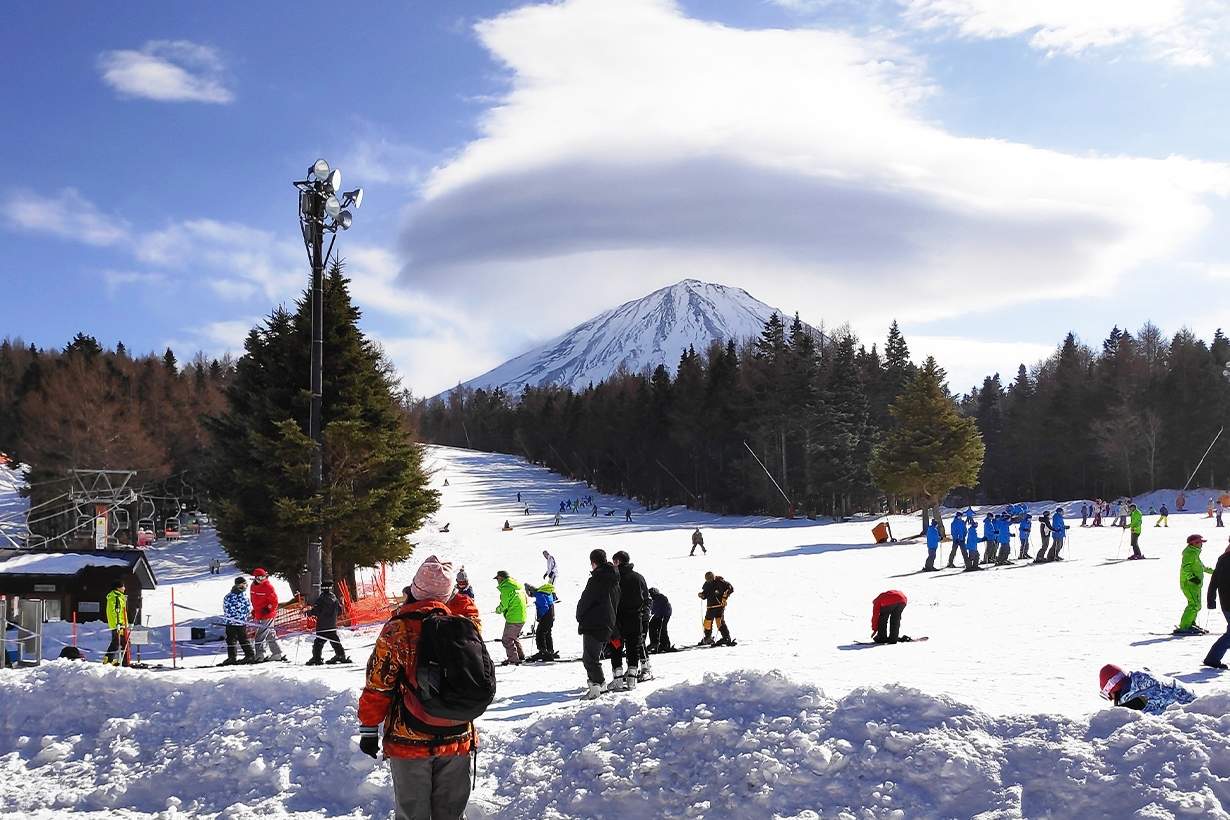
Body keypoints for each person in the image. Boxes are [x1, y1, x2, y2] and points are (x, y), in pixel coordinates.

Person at [358, 556, 485, 820]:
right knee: (451, 814)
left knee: (413, 813)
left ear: (414, 589)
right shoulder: (464, 624)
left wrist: (369, 728)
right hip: (458, 735)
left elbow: (379, 685)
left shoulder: (399, 629)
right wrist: (456, 595)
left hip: (410, 739)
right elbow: (471, 615)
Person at [576, 548, 620, 699]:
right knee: (592, 657)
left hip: (594, 622)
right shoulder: (614, 579)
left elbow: (586, 600)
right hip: (608, 621)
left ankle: (598, 687)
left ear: (593, 563)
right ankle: (598, 686)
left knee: (590, 658)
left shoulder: (597, 579)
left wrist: (579, 615)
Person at [608, 550, 651, 690]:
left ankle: (618, 679)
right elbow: (646, 598)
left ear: (618, 561)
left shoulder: (614, 578)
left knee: (616, 648)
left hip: (617, 620)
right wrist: (643, 613)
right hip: (635, 618)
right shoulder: (638, 577)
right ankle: (632, 679)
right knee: (634, 647)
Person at [1098, 664, 1195, 714]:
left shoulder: (1134, 701)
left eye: (1109, 695)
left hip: (1190, 715)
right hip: (1196, 701)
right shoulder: (1141, 678)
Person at [1175, 534, 1214, 635]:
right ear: (1193, 543)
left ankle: (1190, 623)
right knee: (1194, 604)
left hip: (1195, 584)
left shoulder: (1194, 553)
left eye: (1201, 542)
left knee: (1196, 605)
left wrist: (1215, 572)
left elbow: (1201, 567)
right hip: (1189, 584)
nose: (1201, 544)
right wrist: (1192, 578)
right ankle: (1184, 627)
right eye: (1199, 542)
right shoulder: (1189, 554)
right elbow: (1186, 568)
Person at [307, 580, 350, 665]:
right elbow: (340, 611)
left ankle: (316, 657)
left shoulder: (321, 599)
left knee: (318, 642)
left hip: (322, 625)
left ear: (322, 588)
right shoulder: (334, 598)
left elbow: (316, 611)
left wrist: (309, 612)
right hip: (332, 624)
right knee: (334, 640)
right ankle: (340, 655)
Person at [1203, 539, 1230, 669]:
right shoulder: (1225, 559)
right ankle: (1212, 658)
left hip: (1226, 603)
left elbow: (1214, 580)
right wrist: (1211, 599)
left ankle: (1212, 658)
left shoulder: (1223, 558)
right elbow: (1215, 580)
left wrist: (1211, 599)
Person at [249, 568, 285, 662]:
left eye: (263, 577)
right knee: (270, 634)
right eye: (258, 578)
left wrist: (268, 609)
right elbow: (253, 599)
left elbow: (274, 601)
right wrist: (255, 610)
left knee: (260, 634)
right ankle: (277, 653)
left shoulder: (268, 587)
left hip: (267, 614)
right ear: (255, 578)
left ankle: (260, 654)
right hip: (258, 613)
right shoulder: (253, 586)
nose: (261, 579)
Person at [493, 570, 527, 665]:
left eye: (498, 579)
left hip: (514, 618)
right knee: (514, 636)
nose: (497, 581)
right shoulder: (517, 586)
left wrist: (498, 610)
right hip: (522, 616)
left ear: (502, 578)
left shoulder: (506, 588)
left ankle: (513, 659)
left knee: (507, 639)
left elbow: (504, 604)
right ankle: (520, 655)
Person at [221, 577, 255, 665]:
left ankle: (250, 655)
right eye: (240, 585)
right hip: (231, 623)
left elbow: (248, 609)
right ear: (236, 585)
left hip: (241, 623)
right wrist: (230, 618)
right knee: (231, 640)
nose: (243, 587)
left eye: (244, 585)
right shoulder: (229, 596)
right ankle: (232, 657)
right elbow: (226, 608)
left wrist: (243, 618)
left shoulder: (244, 596)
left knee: (243, 639)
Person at [524, 581, 559, 662]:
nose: (530, 595)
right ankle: (550, 650)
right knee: (547, 633)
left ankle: (543, 652)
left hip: (545, 616)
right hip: (551, 615)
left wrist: (540, 616)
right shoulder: (547, 592)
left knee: (540, 633)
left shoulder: (539, 594)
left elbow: (544, 607)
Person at [698, 571, 735, 646]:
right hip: (710, 606)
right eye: (707, 579)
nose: (709, 580)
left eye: (710, 578)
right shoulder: (707, 584)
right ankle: (708, 638)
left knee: (719, 622)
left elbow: (730, 588)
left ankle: (726, 637)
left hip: (719, 606)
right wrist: (702, 595)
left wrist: (725, 596)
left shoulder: (720, 582)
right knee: (707, 623)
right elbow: (706, 594)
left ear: (713, 577)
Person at [103, 578, 128, 666]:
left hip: (119, 623)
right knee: (122, 642)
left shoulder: (118, 597)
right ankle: (122, 661)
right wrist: (119, 623)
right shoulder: (115, 597)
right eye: (123, 586)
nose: (124, 588)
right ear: (118, 588)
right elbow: (113, 611)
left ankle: (109, 659)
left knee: (118, 642)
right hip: (118, 624)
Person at [647, 587, 674, 652]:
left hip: (665, 614)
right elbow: (653, 608)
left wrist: (652, 611)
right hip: (658, 615)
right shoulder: (654, 599)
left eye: (651, 594)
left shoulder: (661, 597)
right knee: (652, 625)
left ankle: (665, 644)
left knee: (662, 628)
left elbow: (655, 608)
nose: (651, 596)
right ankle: (655, 642)